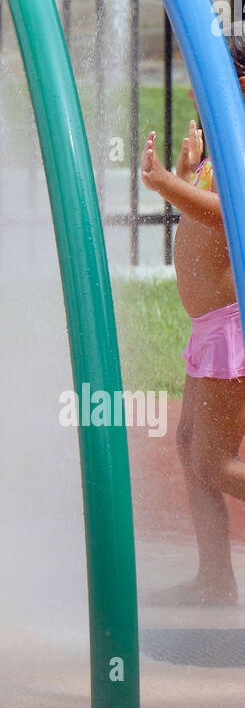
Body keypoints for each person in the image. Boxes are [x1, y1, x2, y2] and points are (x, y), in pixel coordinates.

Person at [140, 35, 245, 605]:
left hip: (232, 325)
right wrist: (182, 176)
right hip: (211, 328)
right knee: (190, 447)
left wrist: (167, 184)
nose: (191, 88)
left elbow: (233, 216)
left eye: (205, 77)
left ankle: (214, 581)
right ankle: (214, 580)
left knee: (216, 461)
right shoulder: (218, 147)